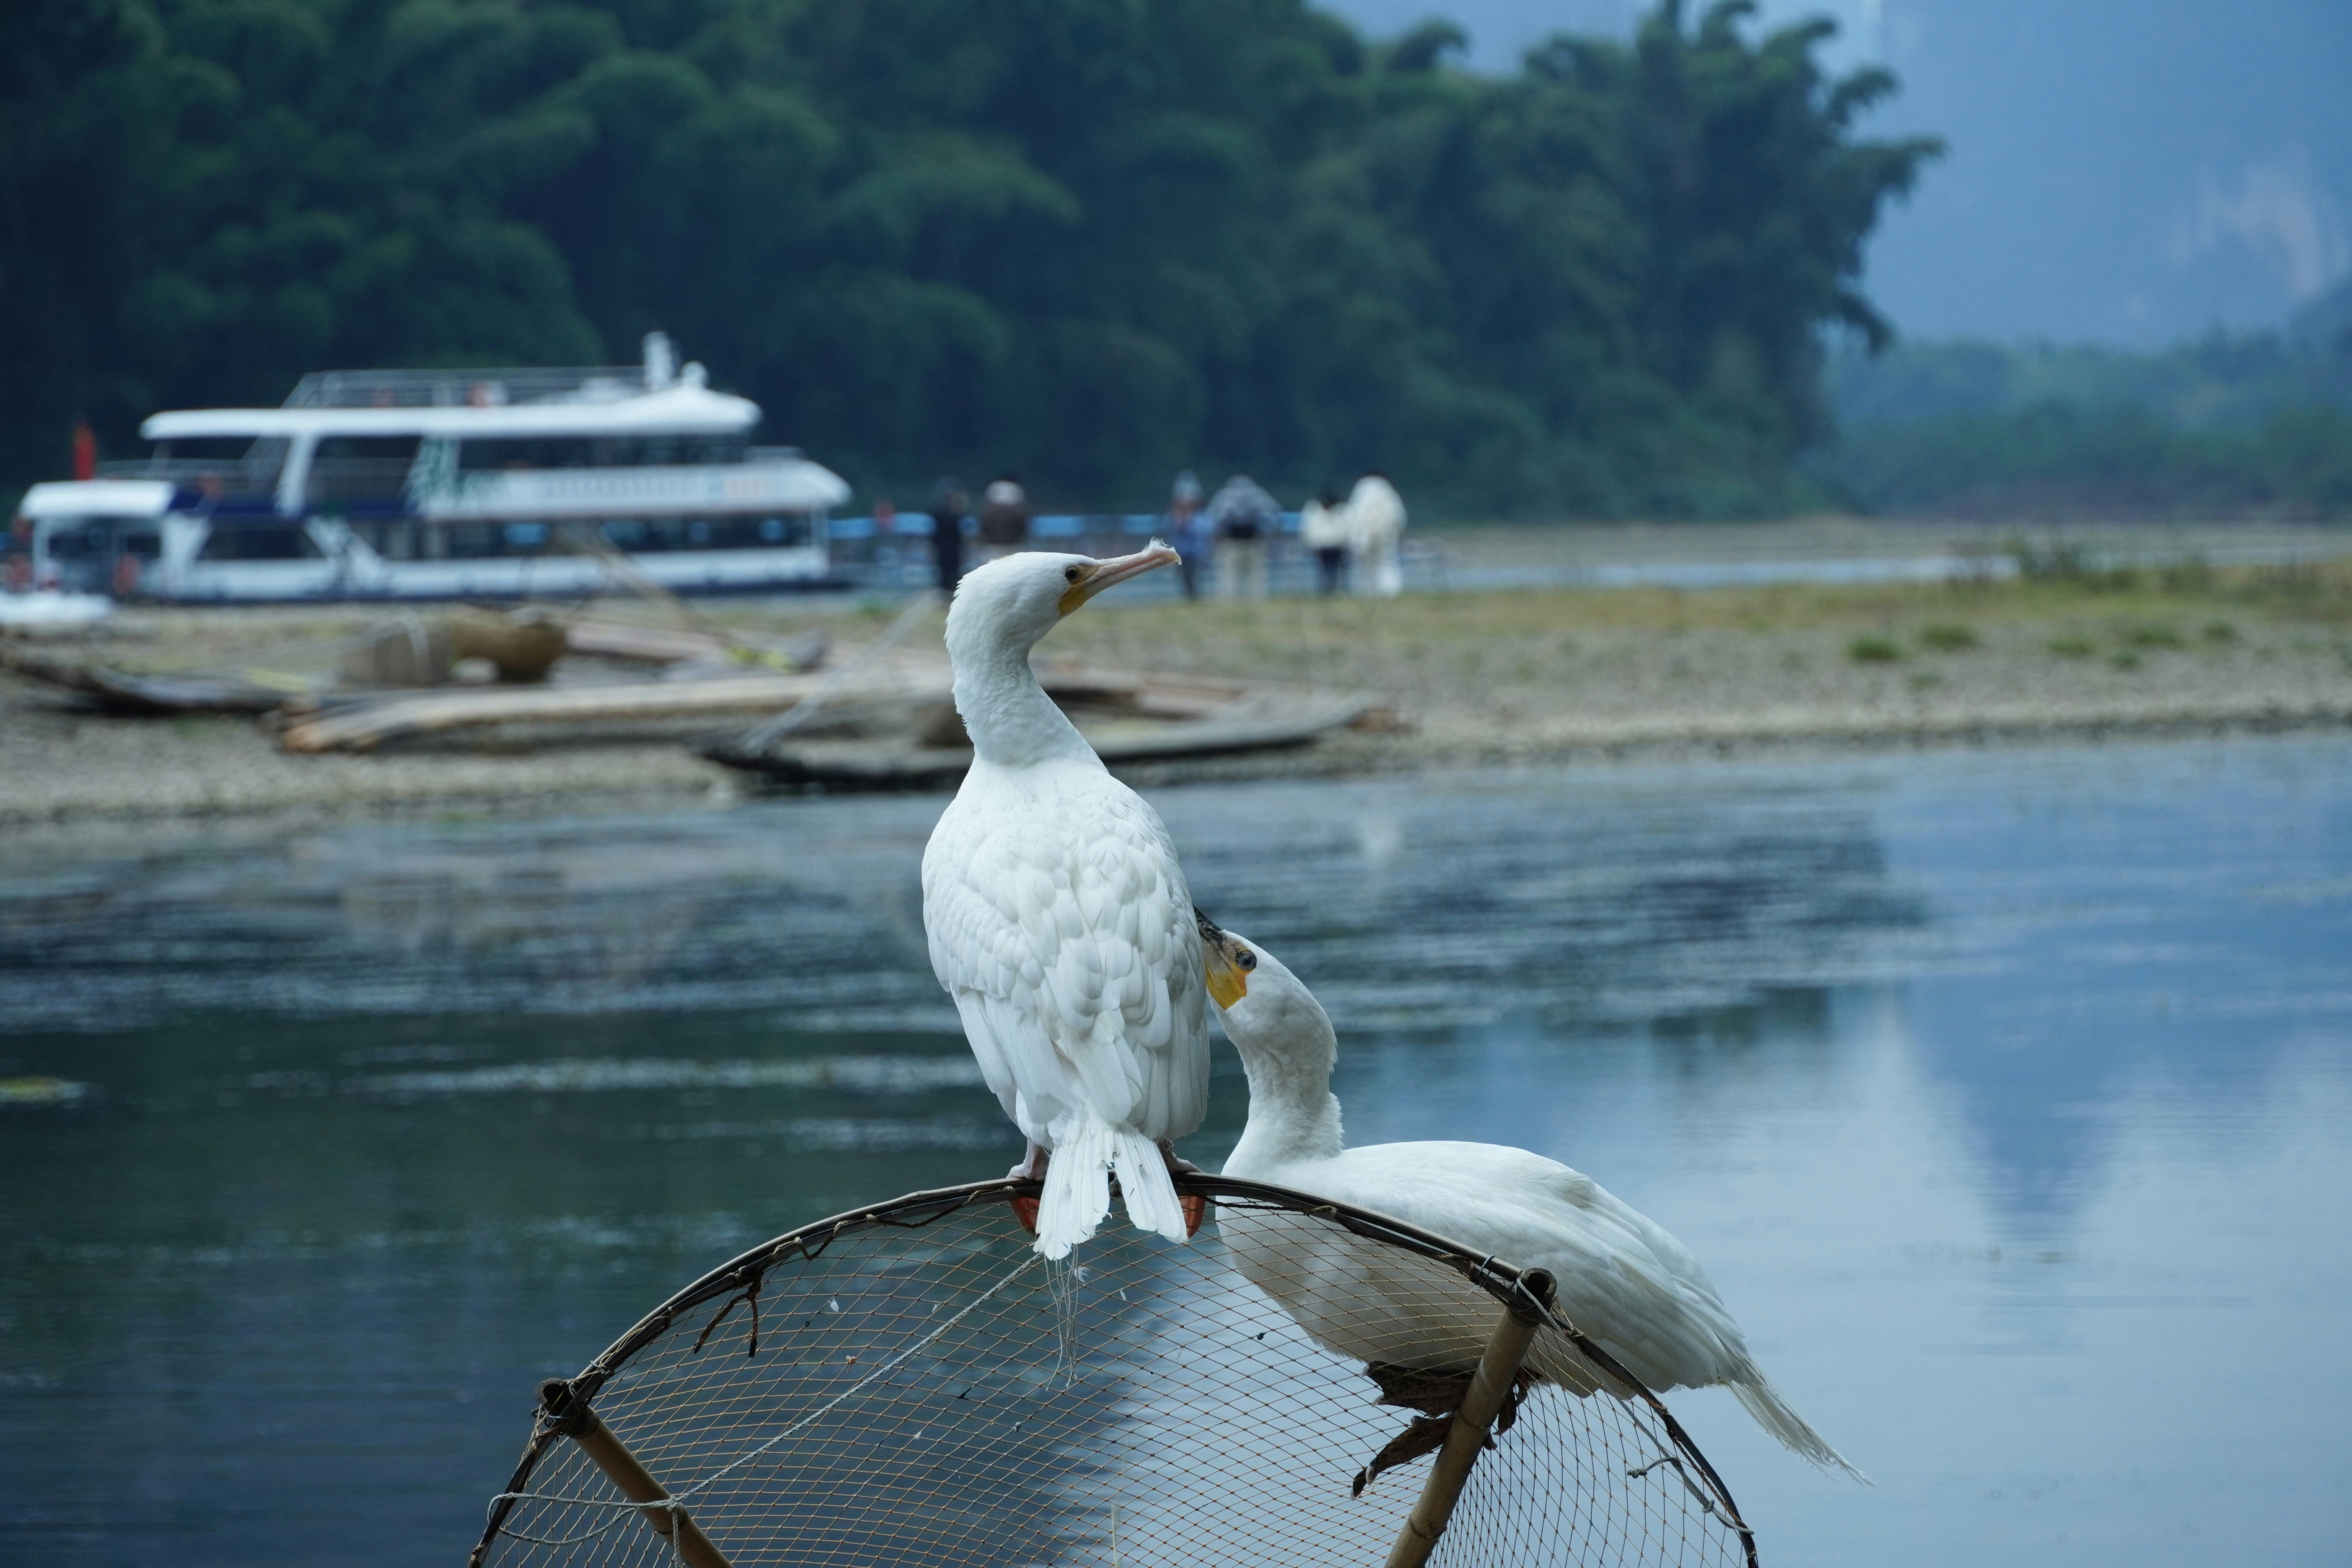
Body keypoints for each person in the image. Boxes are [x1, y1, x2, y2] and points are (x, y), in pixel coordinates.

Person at [1207, 473, 1277, 599]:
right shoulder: (1258, 496)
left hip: (1231, 544)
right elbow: (1272, 517)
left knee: (1228, 579)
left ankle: (1227, 605)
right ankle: (1258, 604)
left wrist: (1216, 540)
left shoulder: (1225, 497)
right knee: (1257, 580)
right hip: (1254, 543)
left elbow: (1214, 521)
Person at [1345, 471, 1406, 599]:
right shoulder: (1388, 493)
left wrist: (1355, 537)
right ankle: (1389, 592)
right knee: (1387, 563)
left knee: (1366, 567)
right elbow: (1398, 517)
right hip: (1386, 536)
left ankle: (1367, 593)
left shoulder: (1361, 491)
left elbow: (1352, 516)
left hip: (1364, 536)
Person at [1165, 471, 1210, 599]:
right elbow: (1172, 527)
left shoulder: (1200, 516)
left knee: (1194, 578)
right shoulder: (1174, 515)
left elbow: (1202, 530)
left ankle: (1194, 598)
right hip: (1181, 552)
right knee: (1184, 579)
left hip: (1196, 553)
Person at [1299, 485, 1350, 595]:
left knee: (1332, 571)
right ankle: (1326, 590)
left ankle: (1335, 589)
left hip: (1335, 547)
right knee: (1325, 571)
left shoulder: (1339, 512)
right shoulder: (1316, 512)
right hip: (1324, 548)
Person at [927, 476, 969, 592]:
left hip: (950, 550)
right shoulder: (943, 515)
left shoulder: (942, 514)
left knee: (952, 573)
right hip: (946, 549)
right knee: (946, 574)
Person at [977, 474, 1030, 561]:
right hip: (1013, 546)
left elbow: (983, 526)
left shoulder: (990, 508)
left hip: (992, 547)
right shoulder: (1017, 506)